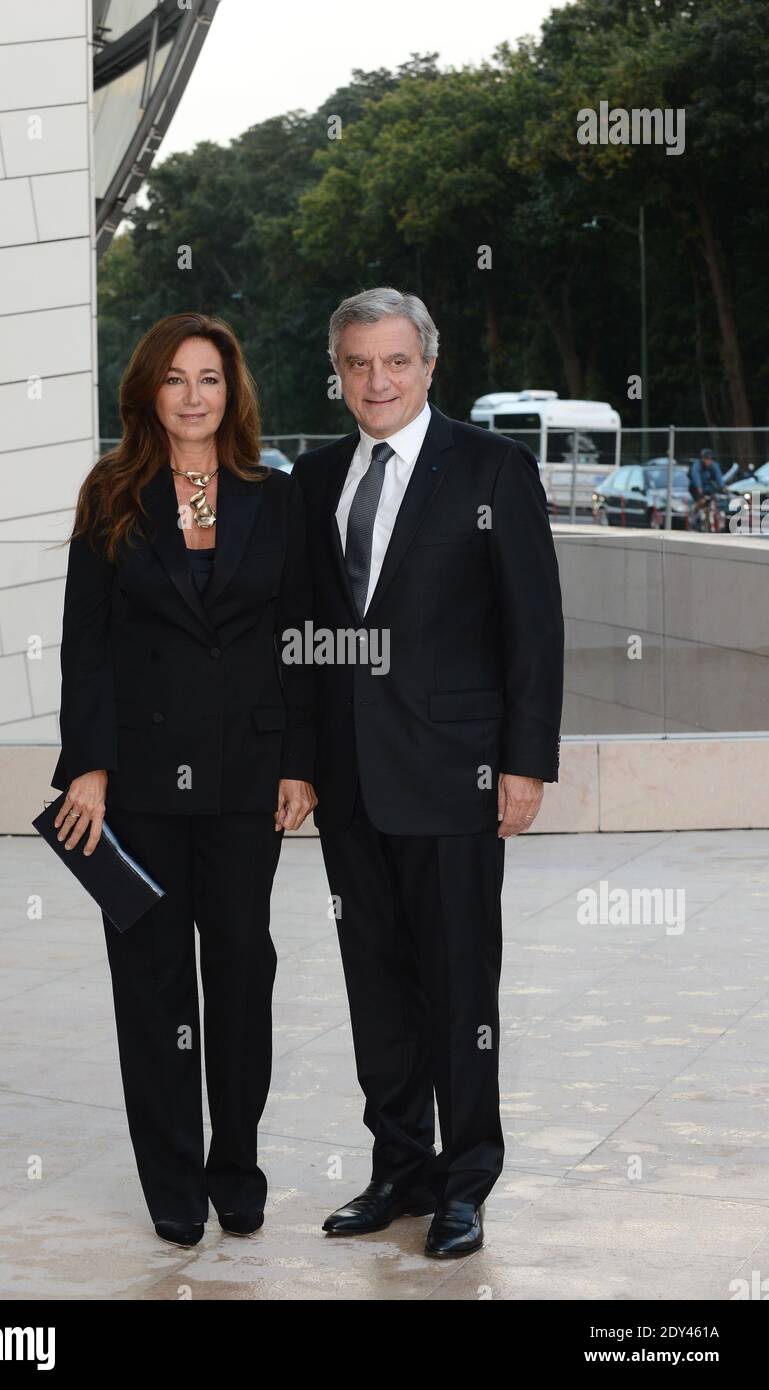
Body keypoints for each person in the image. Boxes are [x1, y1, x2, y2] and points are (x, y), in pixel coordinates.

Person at [289, 288, 564, 1258]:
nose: (376, 380)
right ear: (339, 371)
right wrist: (298, 763)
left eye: (394, 361)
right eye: (358, 363)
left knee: (457, 986)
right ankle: (399, 1165)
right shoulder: (314, 475)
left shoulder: (493, 467)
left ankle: (465, 1178)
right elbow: (307, 637)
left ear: (428, 365)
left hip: (456, 774)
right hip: (349, 781)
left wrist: (526, 763)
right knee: (377, 983)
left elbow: (532, 626)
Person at [50, 312, 316, 1249]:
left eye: (209, 378)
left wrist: (300, 762)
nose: (193, 396)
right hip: (141, 783)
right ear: (147, 394)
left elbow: (300, 643)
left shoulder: (275, 497)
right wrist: (87, 767)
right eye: (174, 378)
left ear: (231, 392)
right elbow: (86, 645)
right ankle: (170, 1179)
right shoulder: (111, 492)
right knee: (151, 981)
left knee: (243, 971)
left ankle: (234, 1164)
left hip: (249, 778)